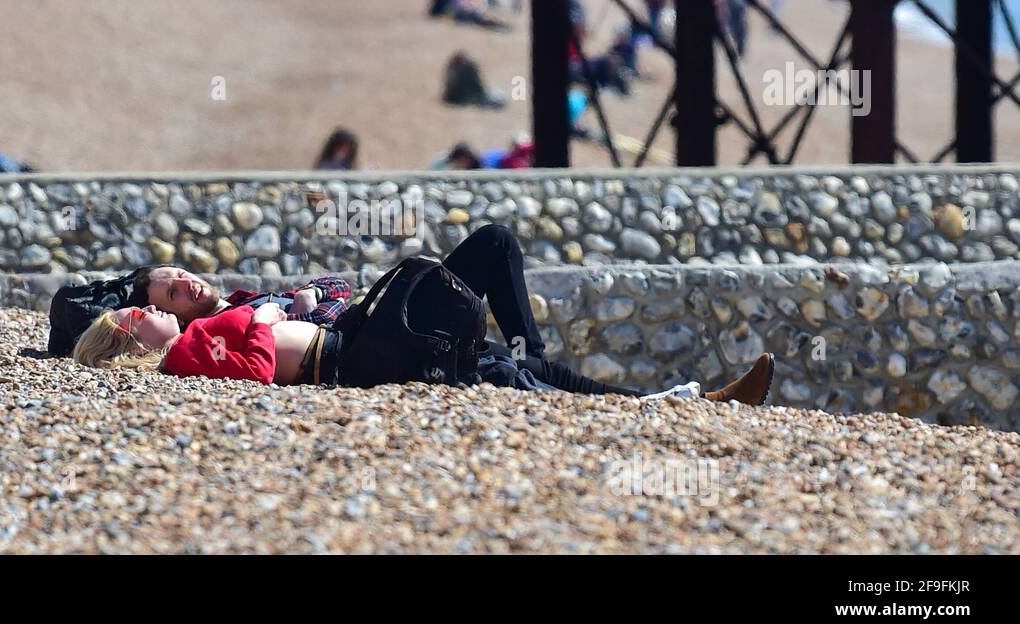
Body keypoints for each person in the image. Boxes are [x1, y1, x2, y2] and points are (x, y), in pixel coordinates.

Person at [74, 225, 775, 404]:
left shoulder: (215, 325)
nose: (181, 289)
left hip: (356, 335)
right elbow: (257, 372)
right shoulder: (194, 351)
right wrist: (279, 316)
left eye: (172, 286)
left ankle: (675, 403)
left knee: (506, 349)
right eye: (161, 297)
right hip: (355, 351)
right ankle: (681, 403)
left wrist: (297, 304)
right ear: (137, 325)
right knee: (495, 335)